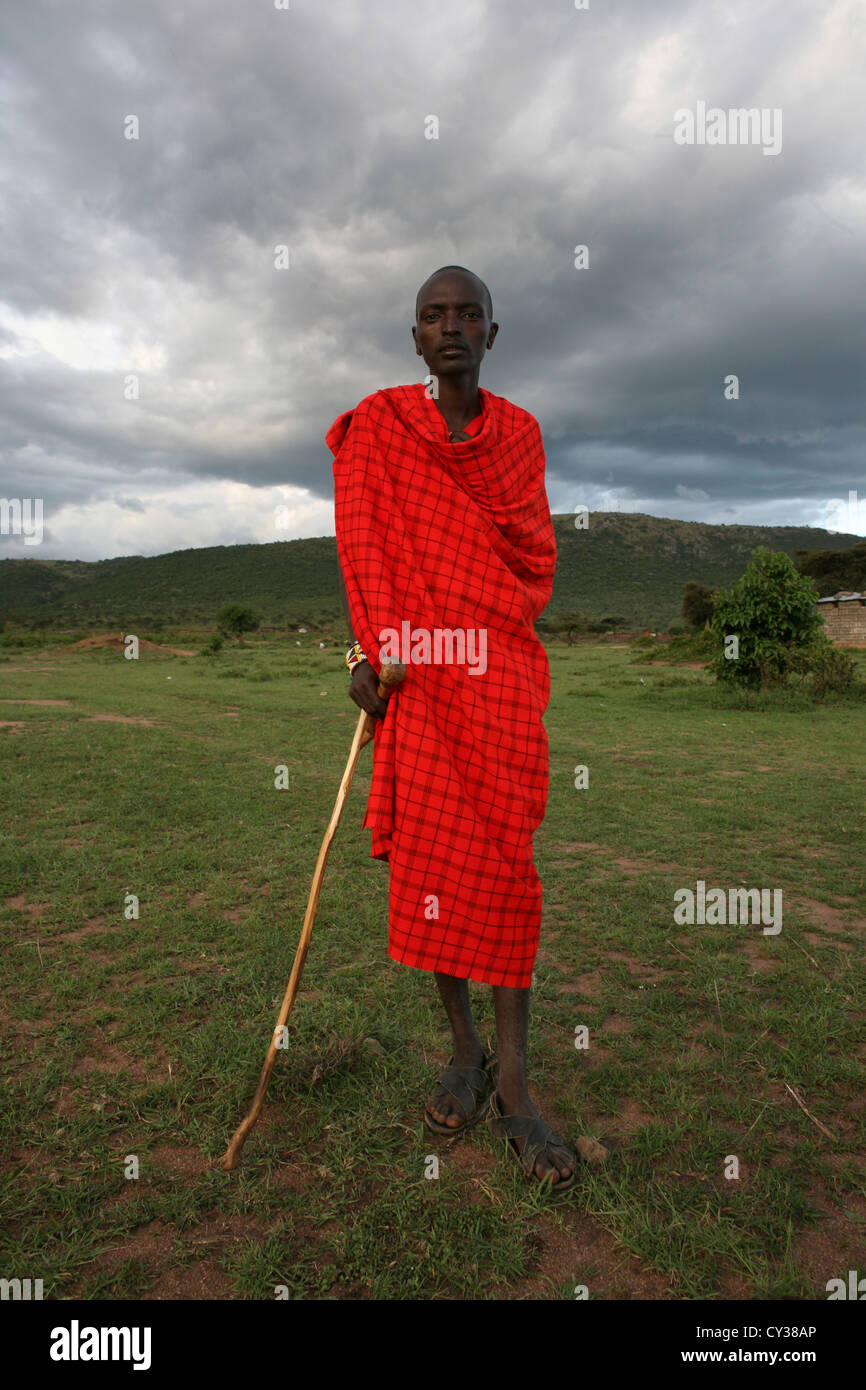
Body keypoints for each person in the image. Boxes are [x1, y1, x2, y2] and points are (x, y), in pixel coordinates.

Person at [328, 265, 575, 1187]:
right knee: (438, 871)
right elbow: (365, 549)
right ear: (416, 338)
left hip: (501, 679)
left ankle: (516, 1092)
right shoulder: (381, 431)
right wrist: (367, 655)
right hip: (421, 684)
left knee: (504, 871)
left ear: (491, 335)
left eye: (468, 314)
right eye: (435, 315)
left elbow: (533, 557)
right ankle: (466, 1053)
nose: (452, 327)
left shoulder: (518, 437)